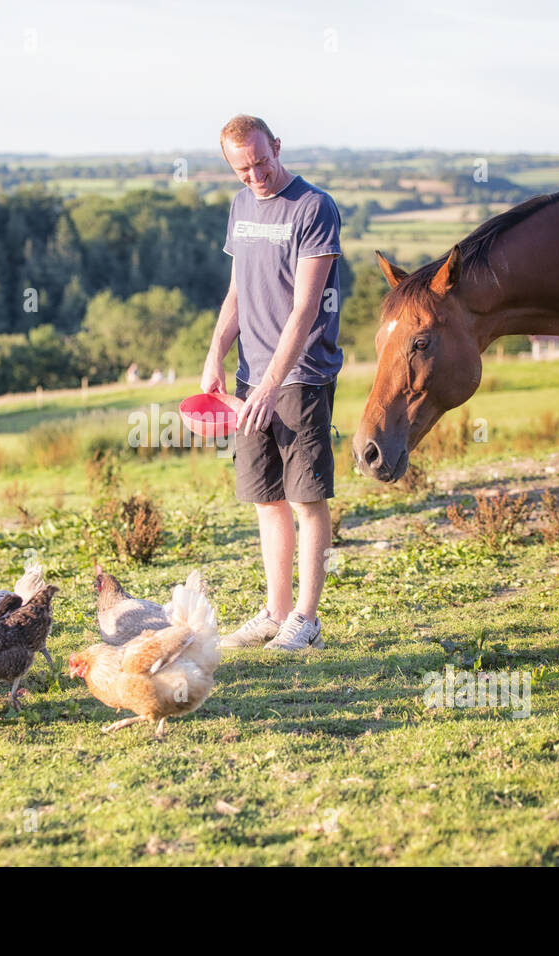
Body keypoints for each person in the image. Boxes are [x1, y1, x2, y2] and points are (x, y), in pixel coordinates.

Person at [200, 114, 343, 652]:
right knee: (266, 498)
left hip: (299, 376)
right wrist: (216, 354)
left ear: (276, 147)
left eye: (261, 161)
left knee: (306, 498)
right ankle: (275, 611)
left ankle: (305, 622)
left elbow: (306, 308)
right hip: (248, 376)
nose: (255, 175)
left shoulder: (314, 207)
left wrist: (271, 383)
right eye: (242, 168)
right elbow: (237, 292)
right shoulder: (240, 207)